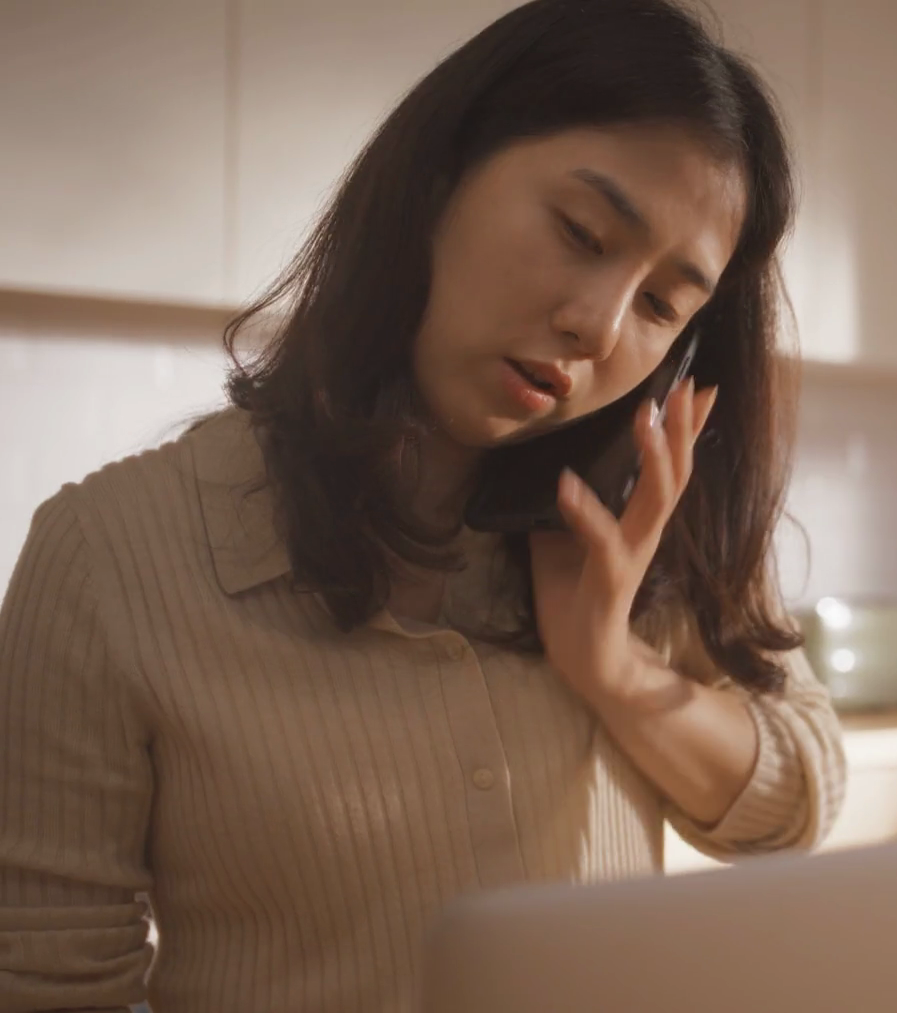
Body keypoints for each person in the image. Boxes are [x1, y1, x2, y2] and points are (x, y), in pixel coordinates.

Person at [0, 2, 845, 1010]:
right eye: (582, 232)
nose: (598, 324)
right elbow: (48, 982)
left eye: (662, 304)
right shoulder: (109, 554)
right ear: (439, 176)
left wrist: (611, 667)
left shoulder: (635, 527)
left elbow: (799, 796)